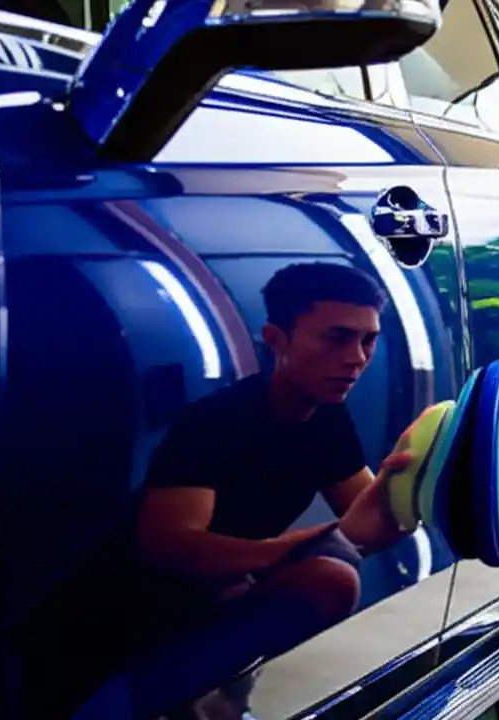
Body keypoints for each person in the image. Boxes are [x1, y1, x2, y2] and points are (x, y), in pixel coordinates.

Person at [131, 261, 414, 717]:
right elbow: (166, 545)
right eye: (337, 337)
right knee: (329, 576)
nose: (357, 357)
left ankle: (214, 692)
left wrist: (410, 484)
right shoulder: (217, 422)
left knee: (332, 573)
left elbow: (367, 527)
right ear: (275, 338)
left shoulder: (326, 416)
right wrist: (285, 551)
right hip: (134, 611)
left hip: (217, 599)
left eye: (368, 340)